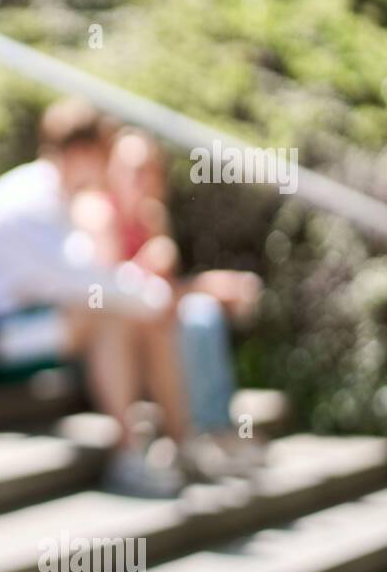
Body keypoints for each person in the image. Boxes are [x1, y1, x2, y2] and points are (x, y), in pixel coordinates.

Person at [0, 97, 193, 496]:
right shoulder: (30, 203)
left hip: (18, 326)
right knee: (110, 314)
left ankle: (177, 443)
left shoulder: (47, 192)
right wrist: (156, 296)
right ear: (84, 153)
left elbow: (89, 276)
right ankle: (133, 451)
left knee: (121, 314)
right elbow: (90, 282)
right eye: (104, 155)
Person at [85, 126, 265, 476]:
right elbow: (107, 290)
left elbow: (165, 295)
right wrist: (181, 276)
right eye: (131, 169)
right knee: (197, 318)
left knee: (202, 313)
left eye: (148, 169)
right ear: (111, 169)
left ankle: (214, 430)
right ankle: (202, 434)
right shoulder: (99, 214)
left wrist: (210, 288)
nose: (140, 179)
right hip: (113, 337)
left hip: (153, 321)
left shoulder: (152, 218)